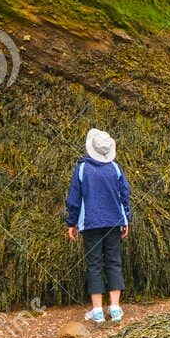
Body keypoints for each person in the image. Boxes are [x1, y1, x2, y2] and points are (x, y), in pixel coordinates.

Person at [64, 128, 131, 324]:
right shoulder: (115, 168)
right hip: (114, 222)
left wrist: (71, 222)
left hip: (91, 223)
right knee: (114, 262)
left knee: (94, 265)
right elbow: (124, 196)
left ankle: (97, 311)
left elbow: (74, 198)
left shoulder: (83, 169)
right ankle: (116, 308)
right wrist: (126, 219)